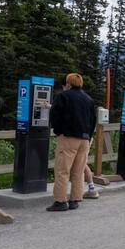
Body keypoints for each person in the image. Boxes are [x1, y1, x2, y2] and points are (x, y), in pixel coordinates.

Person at [47, 73, 95, 211]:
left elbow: (55, 115)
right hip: (84, 139)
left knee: (62, 170)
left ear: (68, 83)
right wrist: (88, 136)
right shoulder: (88, 99)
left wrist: (58, 131)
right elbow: (93, 121)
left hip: (68, 137)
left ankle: (60, 201)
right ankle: (75, 199)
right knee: (78, 171)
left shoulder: (63, 96)